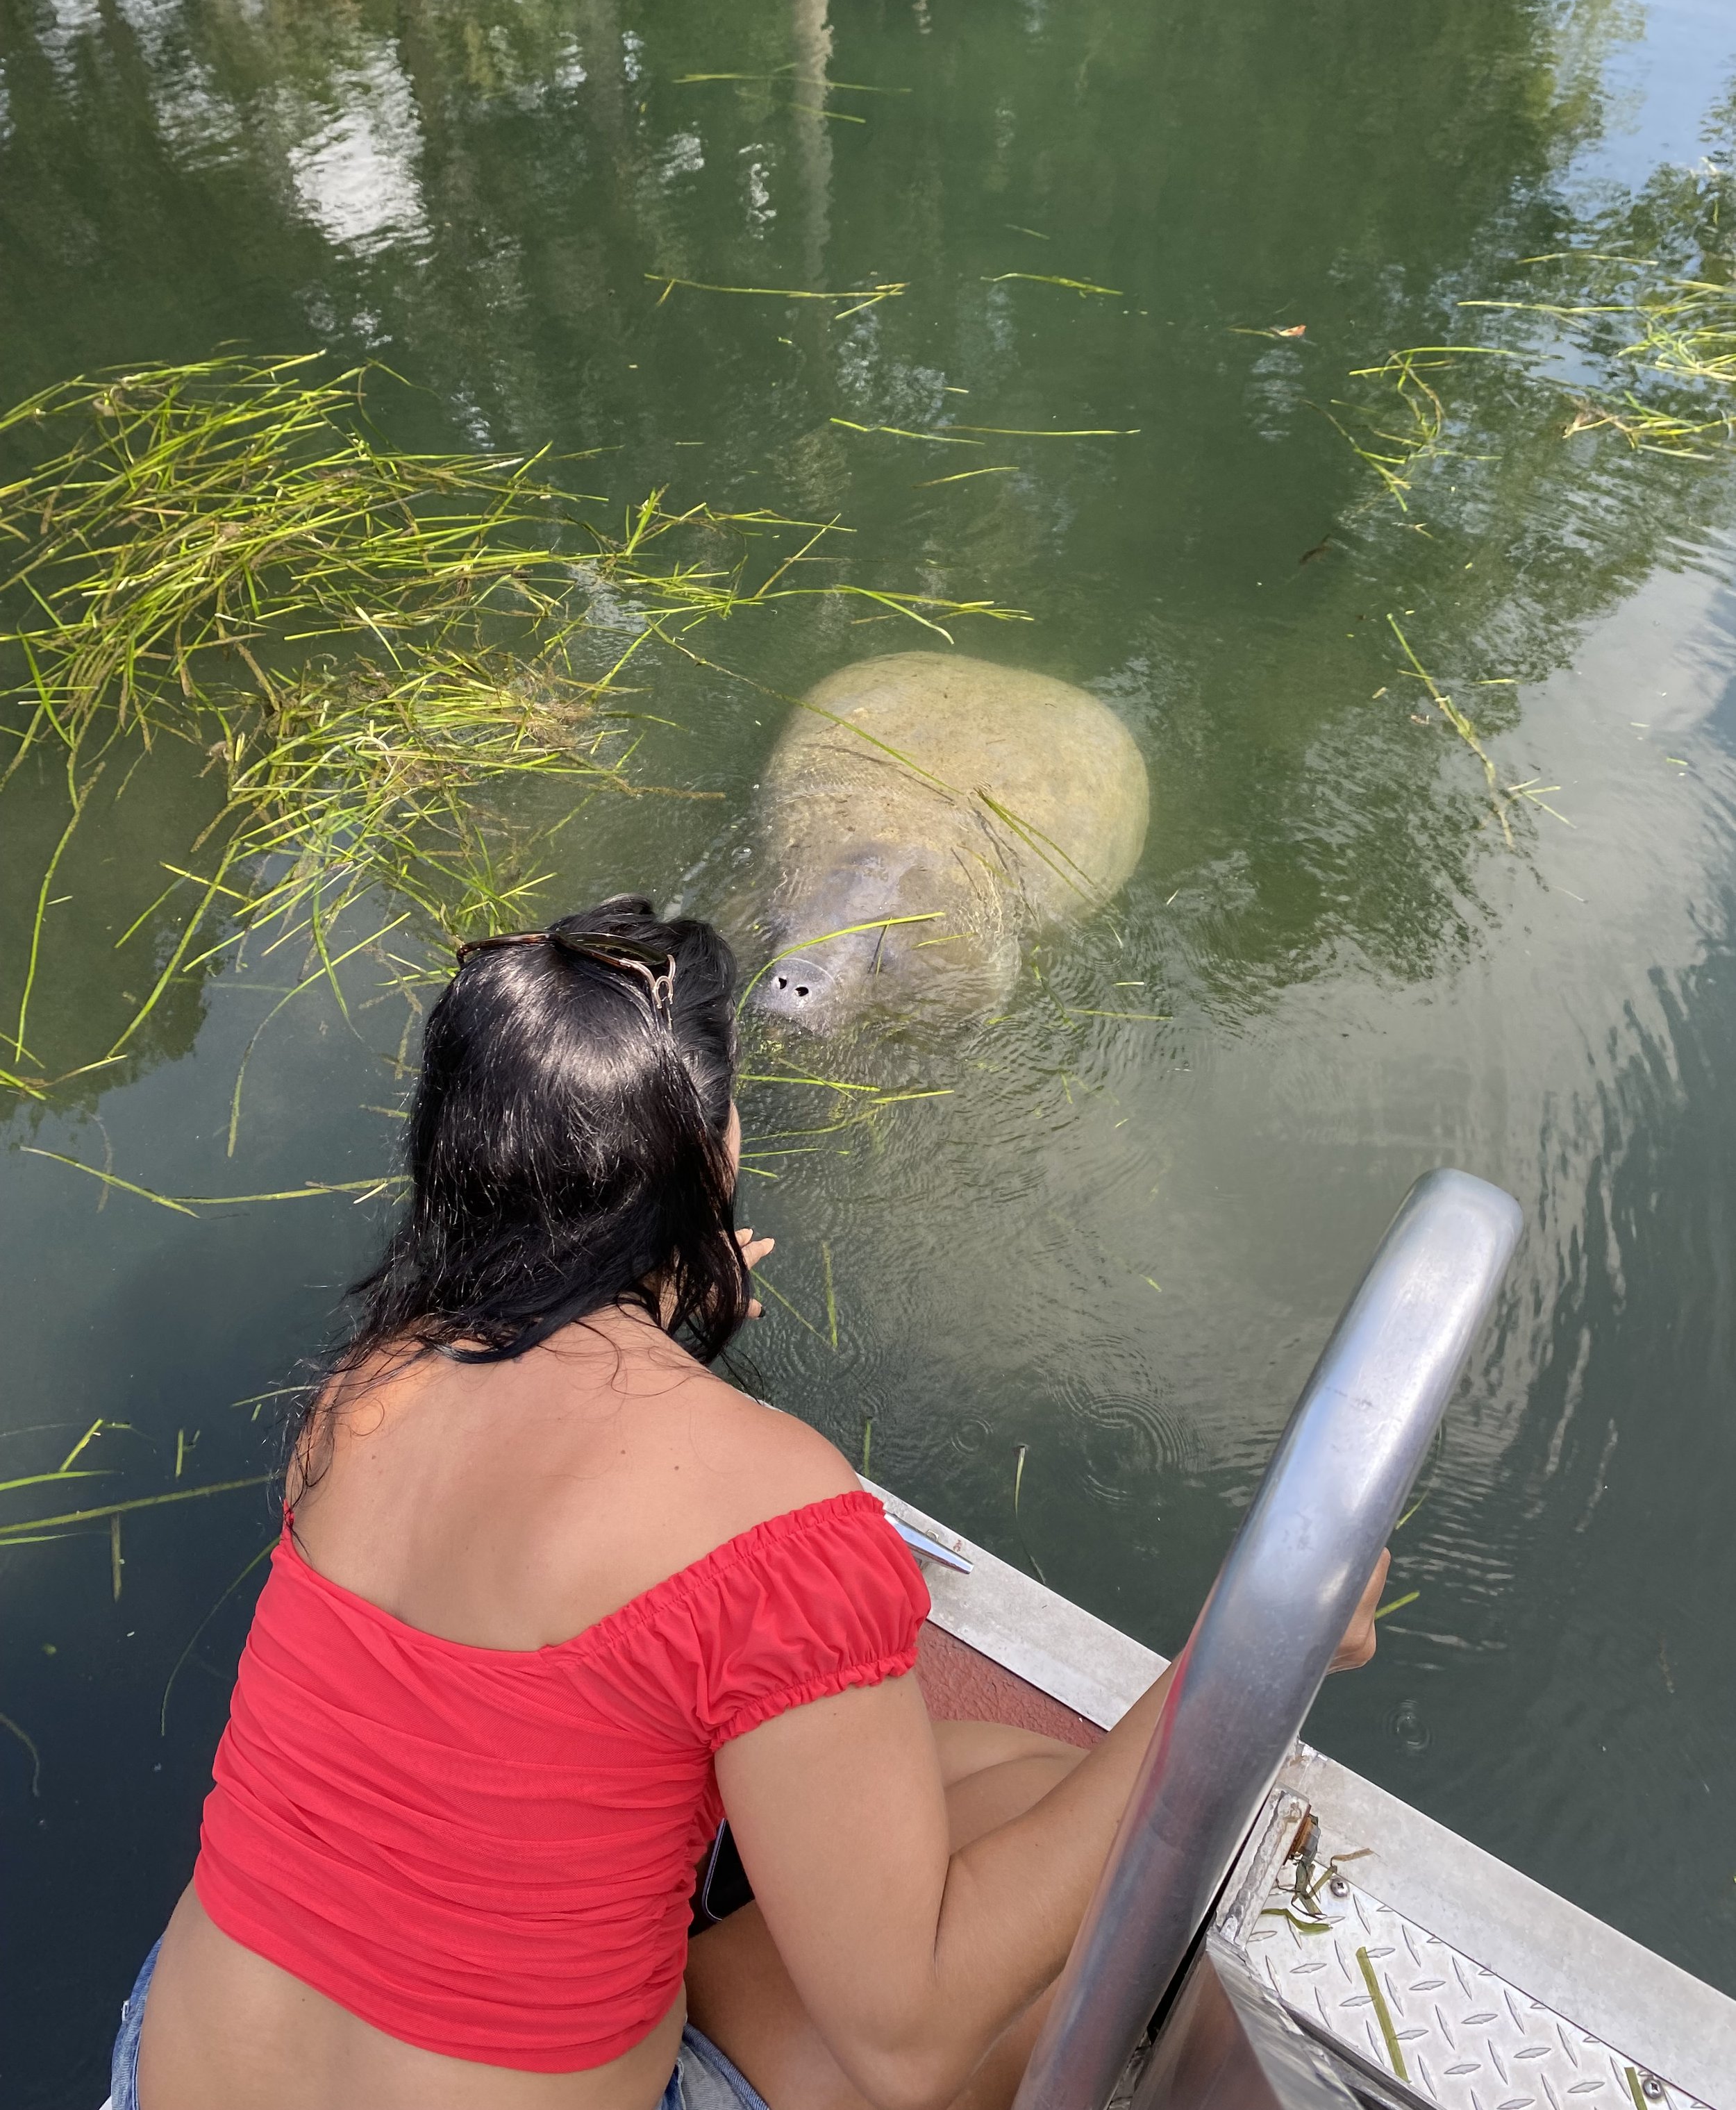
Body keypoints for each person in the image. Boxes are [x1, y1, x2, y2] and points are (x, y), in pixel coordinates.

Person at [115, 896, 1385, 2110]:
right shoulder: (775, 1518)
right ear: (710, 1160)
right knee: (1051, 1925)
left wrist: (659, 1301)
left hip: (168, 2074)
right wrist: (1245, 1655)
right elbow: (909, 2040)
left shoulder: (359, 1396)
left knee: (997, 1775)